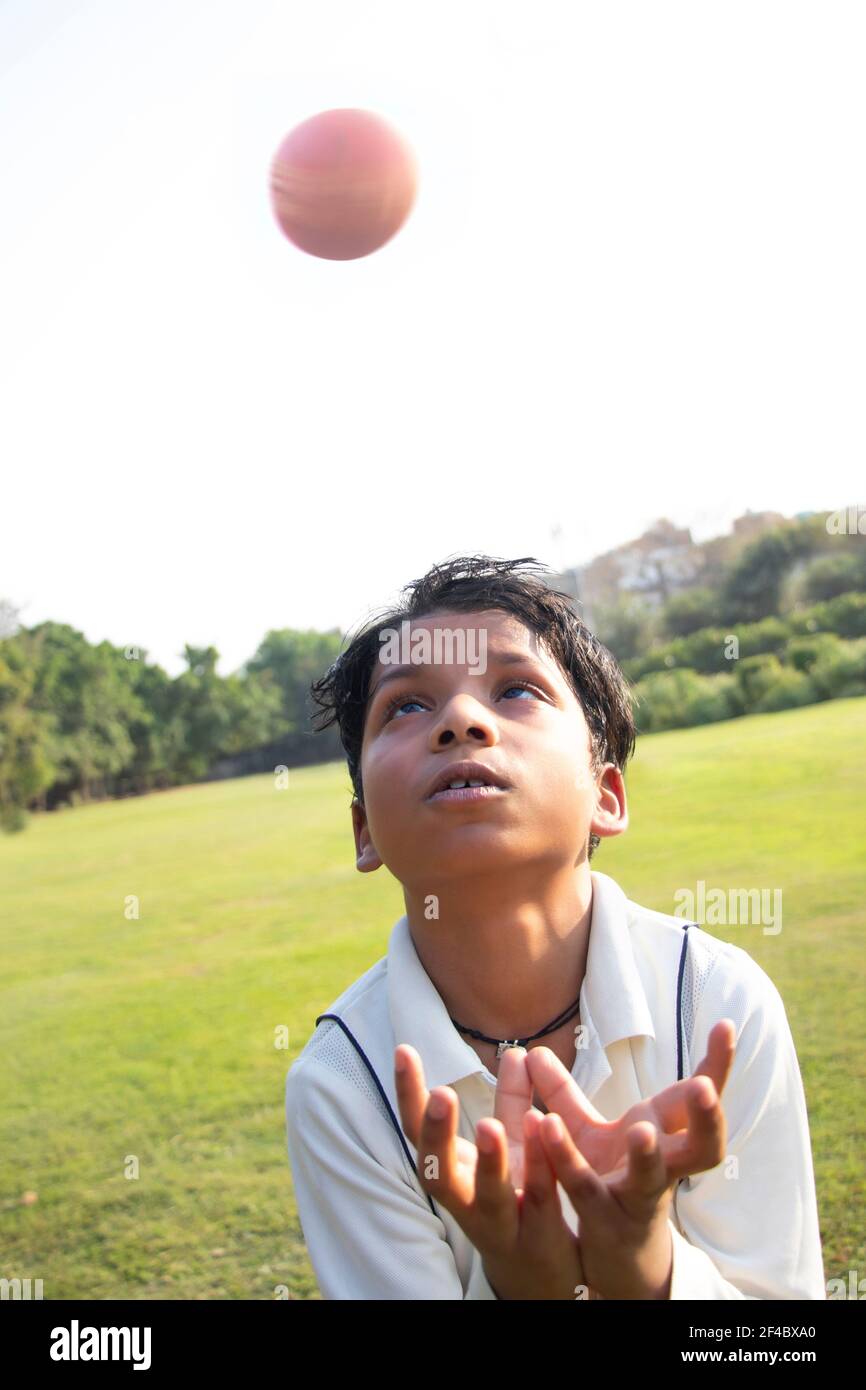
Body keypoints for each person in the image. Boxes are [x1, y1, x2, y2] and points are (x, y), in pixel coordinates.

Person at [284, 554, 826, 1299]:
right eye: (406, 706)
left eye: (515, 689)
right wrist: (520, 1283)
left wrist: (646, 1268)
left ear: (606, 794)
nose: (461, 721)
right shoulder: (345, 1085)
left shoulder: (716, 1003)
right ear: (364, 831)